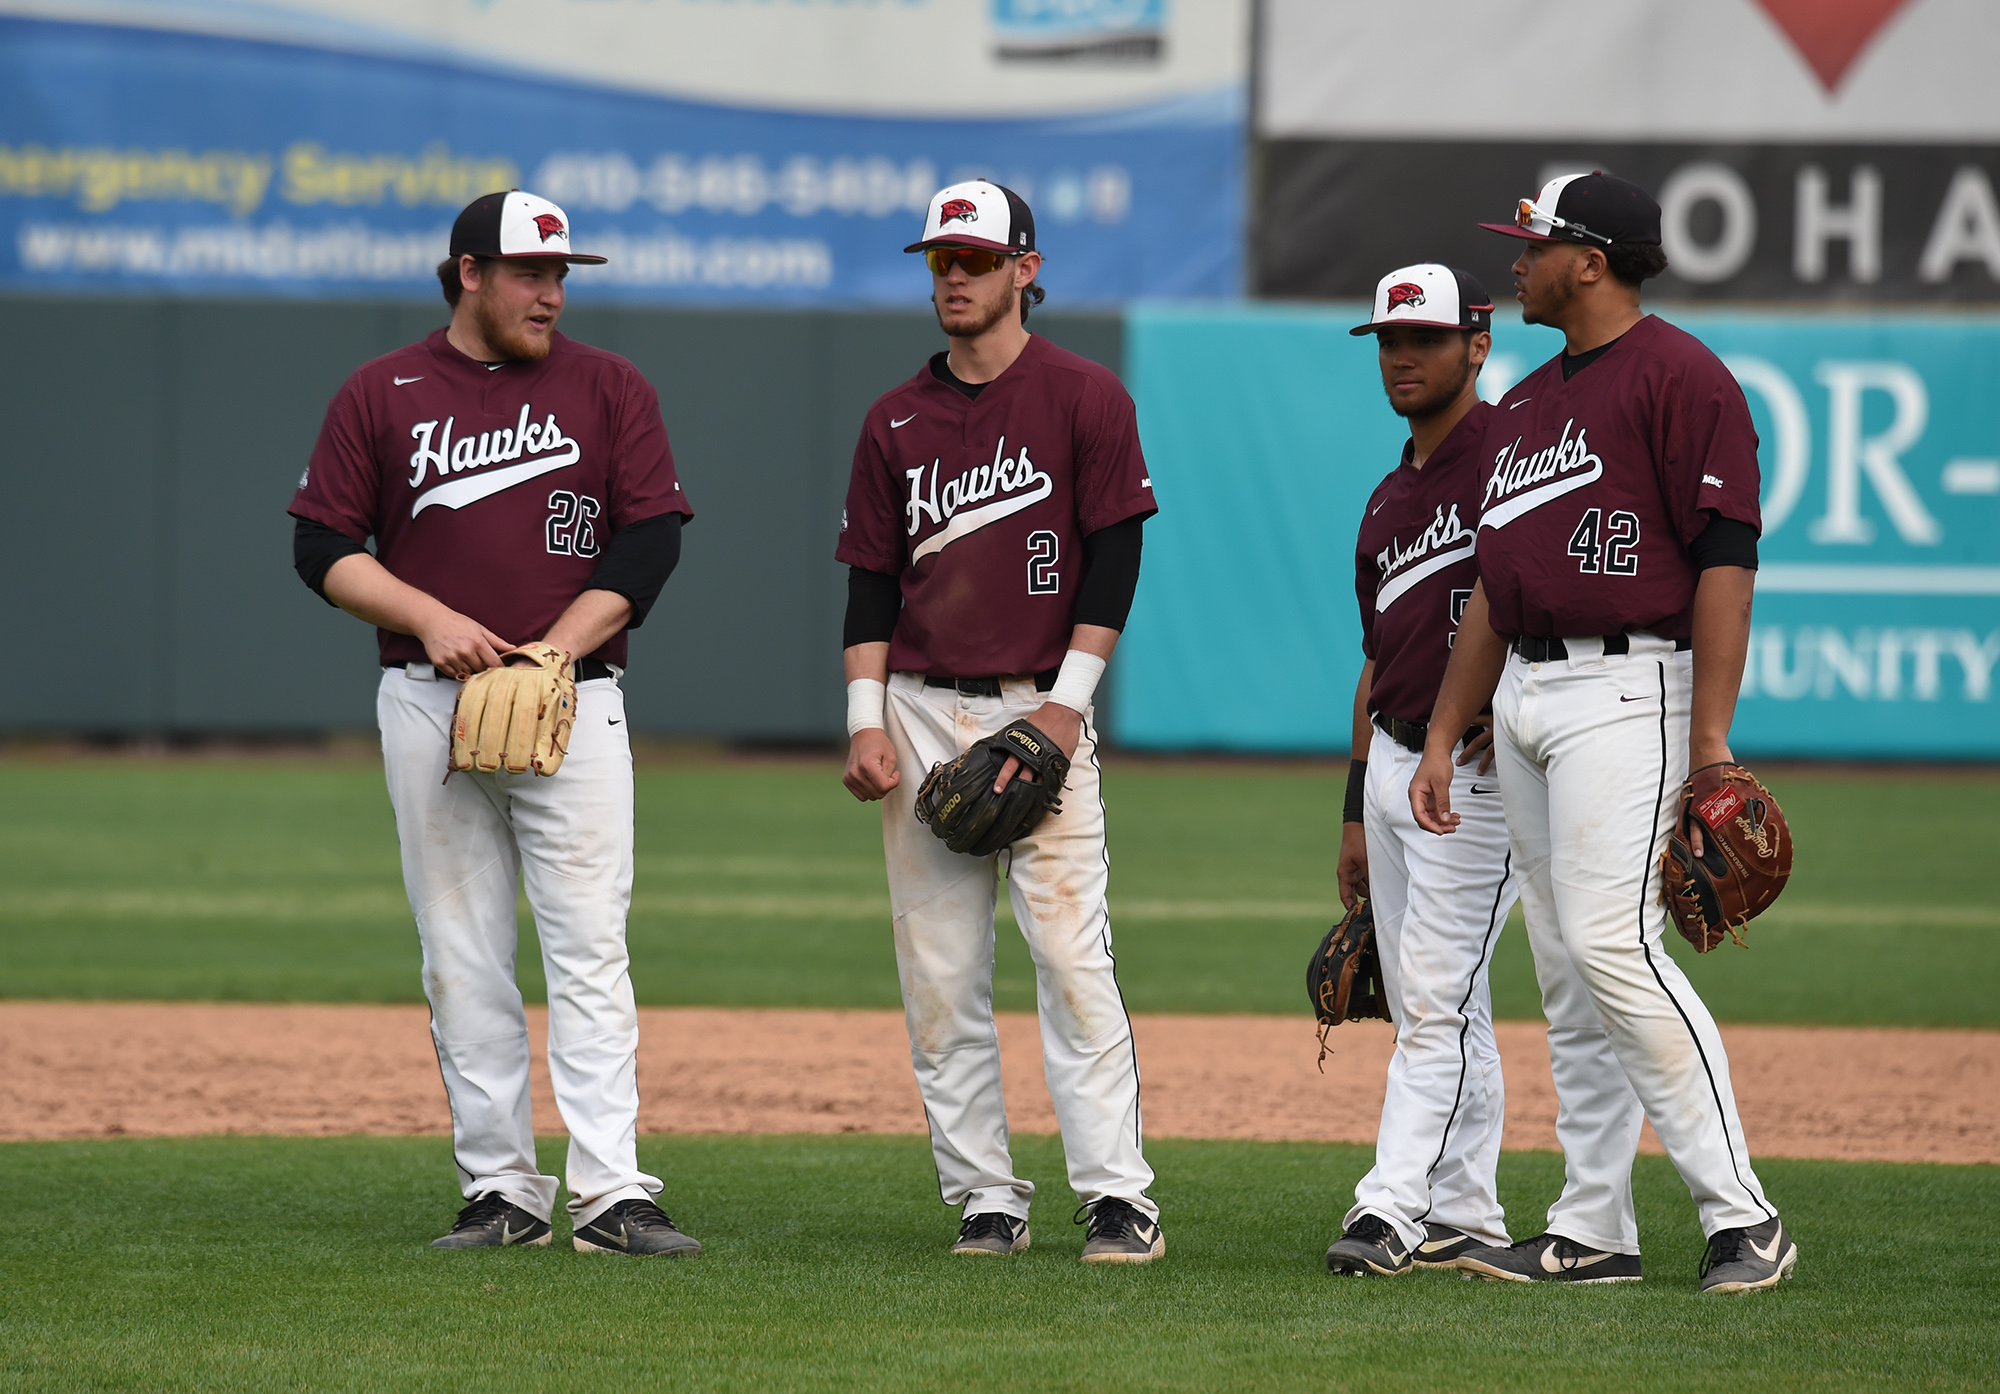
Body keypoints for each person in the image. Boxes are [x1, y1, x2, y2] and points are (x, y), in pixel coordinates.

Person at [288, 189, 701, 1256]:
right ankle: (501, 1190)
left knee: (589, 947)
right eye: (529, 273)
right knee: (460, 953)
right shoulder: (381, 391)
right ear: (468, 273)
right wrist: (429, 618)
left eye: (560, 275)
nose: (550, 293)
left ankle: (611, 1194)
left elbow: (651, 541)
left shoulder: (610, 386)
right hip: (428, 698)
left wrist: (552, 648)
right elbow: (321, 548)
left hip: (575, 696)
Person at [1410, 173, 1798, 1294]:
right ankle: (1593, 1225)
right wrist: (1444, 729)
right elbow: (1494, 589)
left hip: (1632, 686)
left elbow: (1725, 561)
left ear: (1588, 261)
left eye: (1533, 247)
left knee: (1613, 945)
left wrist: (1711, 739)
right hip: (1526, 695)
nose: (1516, 263)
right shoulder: (1526, 403)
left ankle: (1744, 1216)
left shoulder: (1682, 375)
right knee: (1568, 971)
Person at [834, 179, 1164, 1263]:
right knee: (938, 974)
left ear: (1025, 268)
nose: (955, 277)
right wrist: (864, 720)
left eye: (975, 259)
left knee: (1070, 958)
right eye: (941, 260)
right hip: (919, 706)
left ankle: (1117, 1196)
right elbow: (869, 585)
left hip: (1037, 703)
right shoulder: (892, 419)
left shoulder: (1084, 396)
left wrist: (1067, 709)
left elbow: (1114, 560)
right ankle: (984, 1195)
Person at [1325, 264, 1523, 1277]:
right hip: (1391, 763)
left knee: (1436, 996)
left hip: (1475, 779)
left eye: (1426, 339)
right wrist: (1352, 810)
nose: (1401, 357)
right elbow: (1374, 660)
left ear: (1476, 345)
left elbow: (1554, 592)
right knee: (1442, 1006)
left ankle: (1389, 1208)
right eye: (1388, 341)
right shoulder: (1385, 496)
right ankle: (1465, 1210)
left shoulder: (1512, 459)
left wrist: (1515, 697)